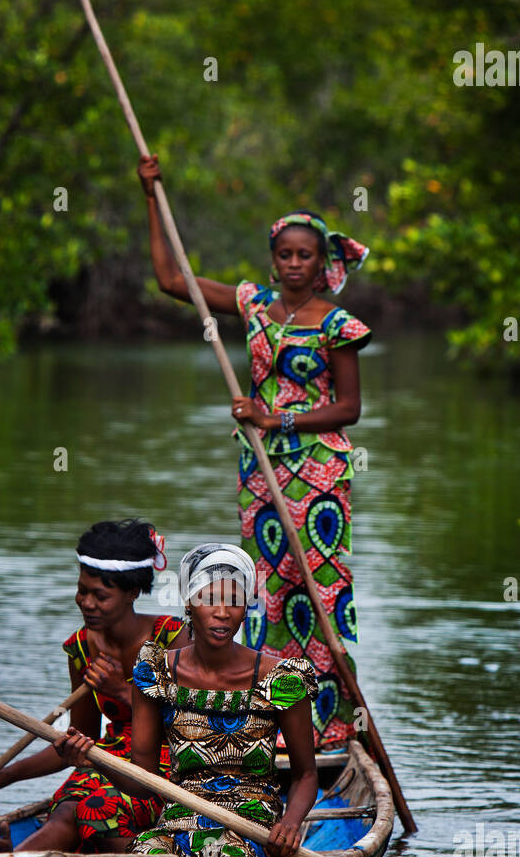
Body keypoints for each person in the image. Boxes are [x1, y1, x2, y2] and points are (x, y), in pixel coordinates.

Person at [139, 152, 371, 747]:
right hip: (261, 469)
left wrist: (275, 418)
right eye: (285, 255)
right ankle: (269, 715)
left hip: (317, 472)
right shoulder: (252, 305)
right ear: (274, 260)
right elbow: (172, 282)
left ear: (323, 264)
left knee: (316, 587)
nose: (295, 264)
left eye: (306, 255)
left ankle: (332, 720)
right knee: (265, 588)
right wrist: (150, 195)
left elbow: (349, 408)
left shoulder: (336, 323)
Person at [59, 543, 319, 857]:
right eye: (208, 599)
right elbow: (143, 781)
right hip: (178, 819)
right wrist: (93, 757)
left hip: (250, 822)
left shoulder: (283, 678)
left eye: (235, 602)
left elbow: (307, 775)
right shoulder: (156, 672)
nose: (223, 612)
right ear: (188, 603)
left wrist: (292, 823)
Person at [0, 518, 188, 855]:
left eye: (100, 595)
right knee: (67, 809)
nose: (86, 603)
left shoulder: (172, 637)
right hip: (107, 761)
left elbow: (188, 721)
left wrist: (120, 690)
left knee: (93, 810)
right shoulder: (80, 647)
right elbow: (78, 737)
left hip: (166, 767)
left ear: (133, 592)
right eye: (82, 590)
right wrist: (3, 776)